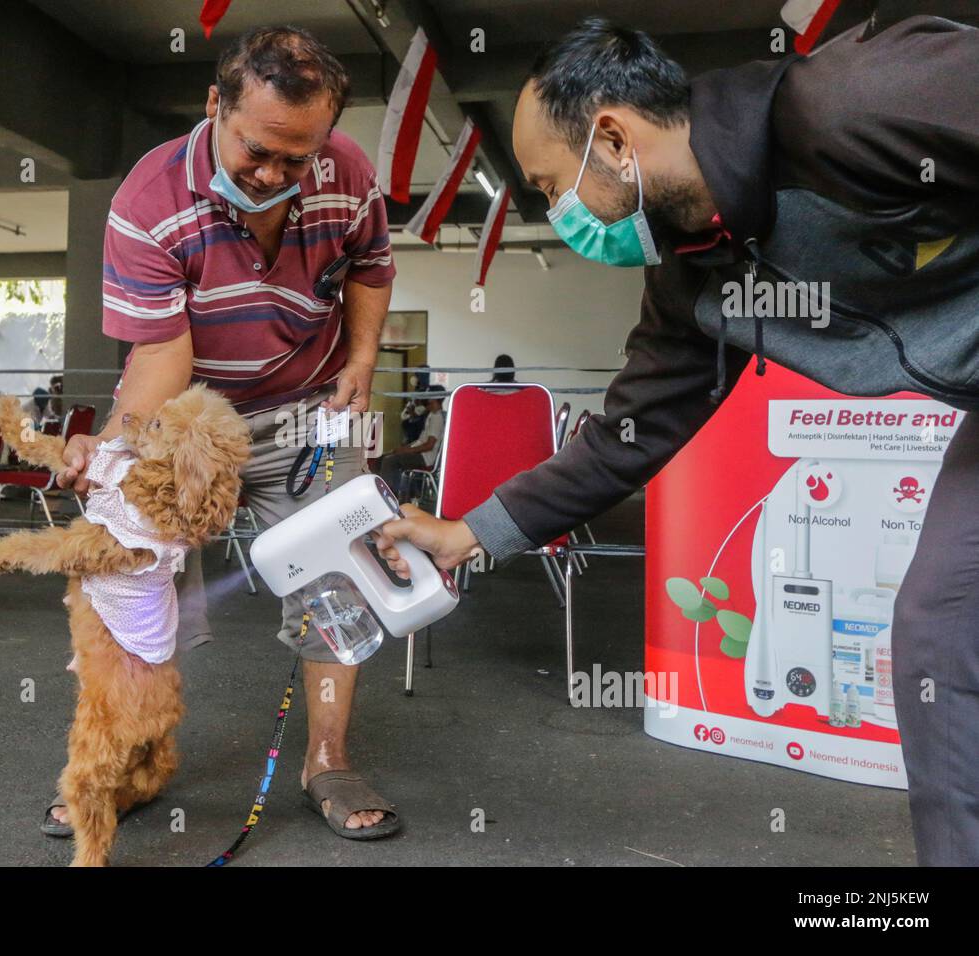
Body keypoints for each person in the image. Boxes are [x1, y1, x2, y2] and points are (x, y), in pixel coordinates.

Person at [373, 16, 979, 866]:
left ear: (614, 139)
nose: (559, 213)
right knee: (940, 630)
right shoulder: (693, 277)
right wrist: (468, 533)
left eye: (552, 187)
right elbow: (629, 433)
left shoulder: (851, 107)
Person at [47, 25, 398, 841]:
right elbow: (161, 356)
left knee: (336, 580)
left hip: (310, 411)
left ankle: (328, 763)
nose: (276, 175)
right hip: (190, 419)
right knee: (135, 586)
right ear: (216, 106)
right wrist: (118, 449)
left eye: (297, 157)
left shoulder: (348, 172)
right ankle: (130, 769)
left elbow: (374, 263)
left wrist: (364, 355)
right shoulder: (147, 202)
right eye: (258, 151)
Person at [377, 385, 445, 499]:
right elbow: (420, 440)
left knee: (389, 461)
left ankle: (387, 496)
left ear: (433, 398)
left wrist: (407, 450)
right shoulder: (432, 415)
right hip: (421, 454)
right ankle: (403, 494)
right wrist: (404, 449)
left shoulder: (437, 418)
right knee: (387, 456)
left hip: (425, 458)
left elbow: (429, 445)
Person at [398, 364, 431, 443]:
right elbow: (411, 406)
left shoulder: (429, 391)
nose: (416, 377)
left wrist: (414, 412)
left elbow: (425, 409)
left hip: (419, 425)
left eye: (418, 374)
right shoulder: (418, 390)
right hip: (410, 424)